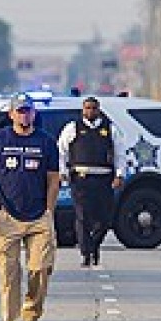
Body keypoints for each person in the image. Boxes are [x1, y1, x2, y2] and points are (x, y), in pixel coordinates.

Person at [0, 93, 61, 321]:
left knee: (40, 269)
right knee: (8, 275)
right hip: (7, 216)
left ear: (34, 114)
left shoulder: (46, 142)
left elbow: (53, 178)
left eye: (28, 111)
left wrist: (49, 210)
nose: (24, 115)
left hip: (38, 216)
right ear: (11, 114)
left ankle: (32, 312)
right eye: (20, 111)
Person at [57, 96, 127, 267]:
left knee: (104, 219)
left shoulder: (110, 129)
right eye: (87, 108)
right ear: (82, 110)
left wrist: (119, 175)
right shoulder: (73, 128)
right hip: (81, 179)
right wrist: (63, 172)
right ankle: (86, 252)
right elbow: (61, 151)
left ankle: (94, 245)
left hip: (103, 179)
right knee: (82, 216)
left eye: (93, 108)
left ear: (99, 109)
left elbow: (120, 154)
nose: (90, 111)